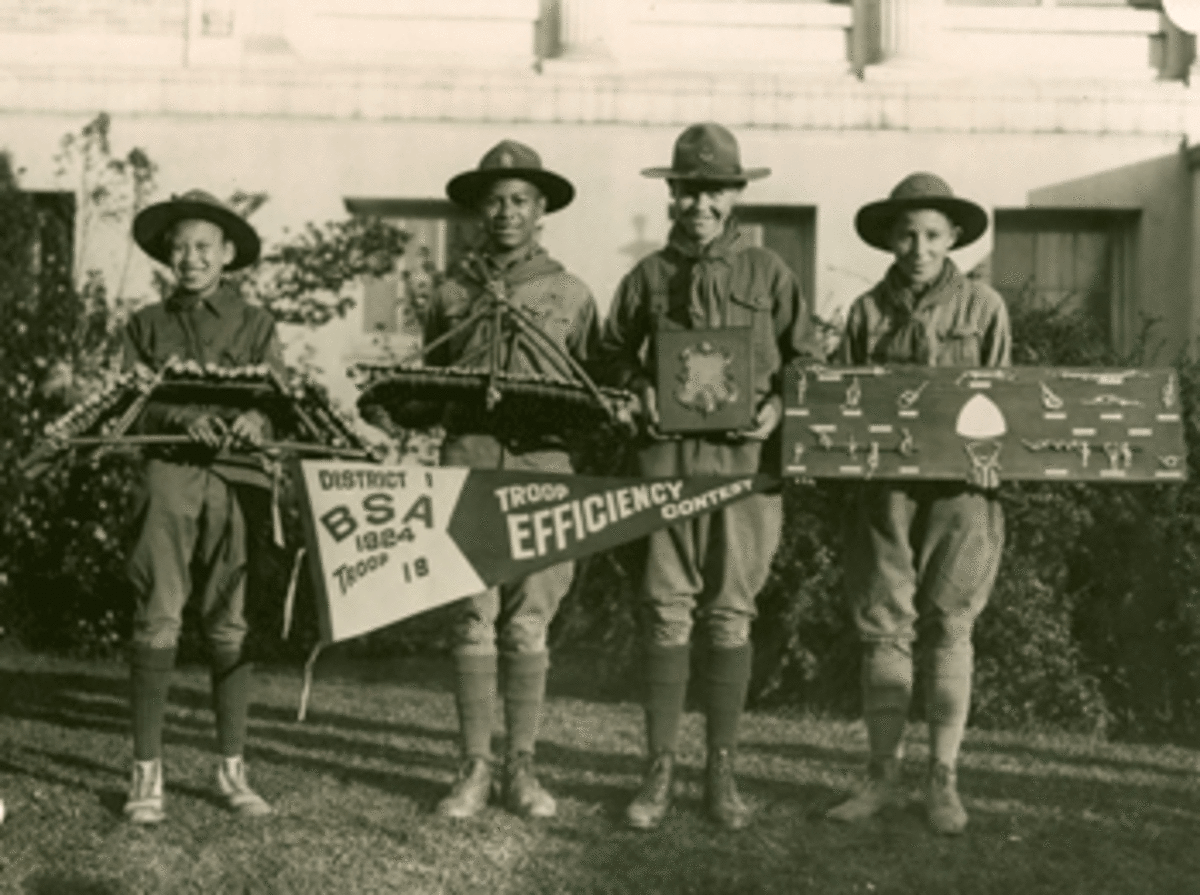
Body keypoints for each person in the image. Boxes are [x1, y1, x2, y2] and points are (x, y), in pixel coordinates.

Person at [596, 122, 816, 830]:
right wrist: (637, 391)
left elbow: (806, 360)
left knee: (729, 613)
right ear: (672, 195)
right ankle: (658, 768)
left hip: (745, 469)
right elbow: (610, 358)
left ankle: (721, 770)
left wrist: (781, 407)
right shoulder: (647, 278)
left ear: (735, 197)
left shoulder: (771, 274)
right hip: (665, 463)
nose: (698, 203)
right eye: (687, 189)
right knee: (664, 609)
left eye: (712, 190)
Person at [825, 172, 1010, 835]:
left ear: (953, 236)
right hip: (887, 494)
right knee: (883, 623)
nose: (918, 247)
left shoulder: (985, 307)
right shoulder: (866, 313)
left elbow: (1005, 406)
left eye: (932, 234)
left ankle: (943, 778)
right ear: (888, 239)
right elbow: (843, 408)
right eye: (905, 234)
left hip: (961, 491)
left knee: (951, 622)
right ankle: (882, 774)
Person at [427, 140, 600, 820]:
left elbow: (596, 385)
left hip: (544, 464)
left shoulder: (572, 292)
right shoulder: (450, 292)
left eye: (521, 200)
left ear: (541, 210)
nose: (507, 211)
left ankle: (521, 767)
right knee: (472, 612)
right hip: (469, 456)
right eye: (495, 199)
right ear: (478, 208)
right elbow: (430, 375)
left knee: (529, 618)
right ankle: (473, 765)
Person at [121, 189, 283, 824]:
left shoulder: (257, 324)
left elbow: (277, 399)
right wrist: (181, 418)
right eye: (180, 247)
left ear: (229, 254)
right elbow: (130, 403)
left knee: (229, 622)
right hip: (167, 478)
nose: (190, 258)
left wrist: (252, 416)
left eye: (204, 247)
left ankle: (231, 768)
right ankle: (146, 773)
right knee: (157, 615)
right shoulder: (145, 325)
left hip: (239, 479)